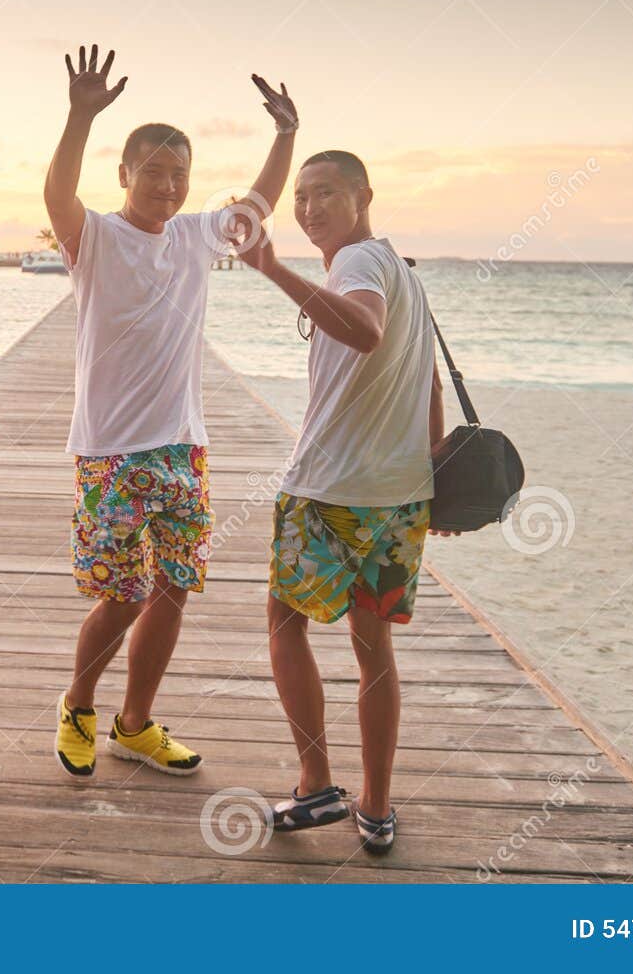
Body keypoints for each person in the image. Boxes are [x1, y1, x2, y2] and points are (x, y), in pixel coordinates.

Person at [45, 43, 299, 778]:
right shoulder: (93, 236)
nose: (167, 185)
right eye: (153, 172)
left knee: (175, 588)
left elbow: (256, 205)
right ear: (124, 175)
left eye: (180, 175)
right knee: (120, 596)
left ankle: (135, 722)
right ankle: (80, 705)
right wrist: (78, 115)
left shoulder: (195, 236)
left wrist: (284, 135)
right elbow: (57, 192)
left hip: (183, 445)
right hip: (111, 449)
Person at [233, 149, 454, 853]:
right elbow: (430, 390)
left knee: (282, 624)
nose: (308, 208)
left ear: (363, 195)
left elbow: (363, 331)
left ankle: (316, 781)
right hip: (395, 497)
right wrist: (434, 480)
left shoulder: (357, 264)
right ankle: (377, 808)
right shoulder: (402, 271)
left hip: (328, 491)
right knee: (374, 648)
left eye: (326, 192)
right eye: (301, 196)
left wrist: (271, 270)